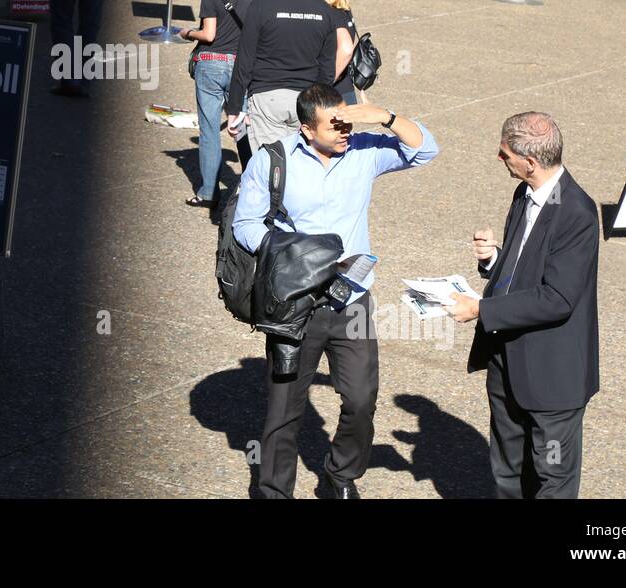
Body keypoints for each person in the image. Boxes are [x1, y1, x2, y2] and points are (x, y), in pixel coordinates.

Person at [234, 84, 439, 499]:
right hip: (295, 304)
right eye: (335, 125)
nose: (344, 131)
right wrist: (299, 255)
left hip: (353, 298)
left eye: (347, 121)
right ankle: (275, 491)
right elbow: (246, 224)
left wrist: (385, 117)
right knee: (285, 409)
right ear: (307, 129)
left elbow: (426, 149)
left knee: (362, 399)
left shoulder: (363, 151)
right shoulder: (273, 161)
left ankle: (340, 474)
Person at [447, 111, 599, 499]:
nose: (501, 160)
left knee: (551, 480)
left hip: (552, 375)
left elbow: (558, 299)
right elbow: (524, 272)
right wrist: (493, 259)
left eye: (504, 154)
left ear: (529, 162)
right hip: (506, 362)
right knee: (507, 471)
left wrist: (480, 310)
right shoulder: (523, 194)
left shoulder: (577, 213)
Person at [226, 0, 340, 153]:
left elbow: (245, 60)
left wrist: (234, 107)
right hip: (307, 101)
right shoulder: (324, 11)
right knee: (301, 164)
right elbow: (327, 67)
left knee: (271, 166)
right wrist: (320, 106)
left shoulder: (261, 6)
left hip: (267, 97)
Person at [179, 0, 261, 208]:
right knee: (242, 127)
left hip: (212, 64)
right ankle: (252, 188)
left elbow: (209, 34)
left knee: (210, 129)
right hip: (242, 66)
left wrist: (188, 32)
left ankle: (208, 192)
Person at [306, 0, 359, 105]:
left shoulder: (330, 12)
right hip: (345, 89)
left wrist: (323, 85)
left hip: (331, 96)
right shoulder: (343, 9)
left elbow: (347, 49)